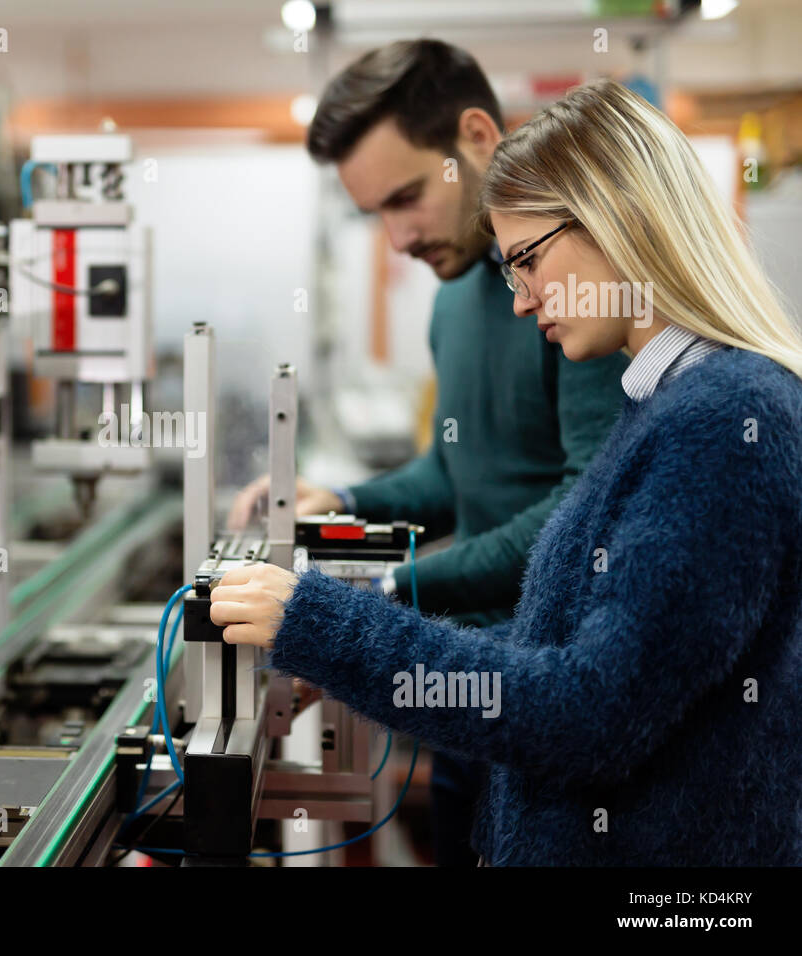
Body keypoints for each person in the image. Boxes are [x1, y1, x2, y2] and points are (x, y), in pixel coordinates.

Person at [210, 77, 802, 865]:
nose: (520, 302)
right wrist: (347, 655)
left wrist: (331, 626)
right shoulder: (665, 405)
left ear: (619, 215)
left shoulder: (723, 422)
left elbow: (588, 715)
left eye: (526, 260)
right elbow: (562, 656)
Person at [229, 39, 629, 866]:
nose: (399, 237)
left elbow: (583, 507)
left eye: (407, 196)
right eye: (376, 211)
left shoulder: (574, 291)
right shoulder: (455, 301)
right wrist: (340, 502)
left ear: (478, 136)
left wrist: (380, 593)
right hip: (465, 689)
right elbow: (455, 472)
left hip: (548, 700)